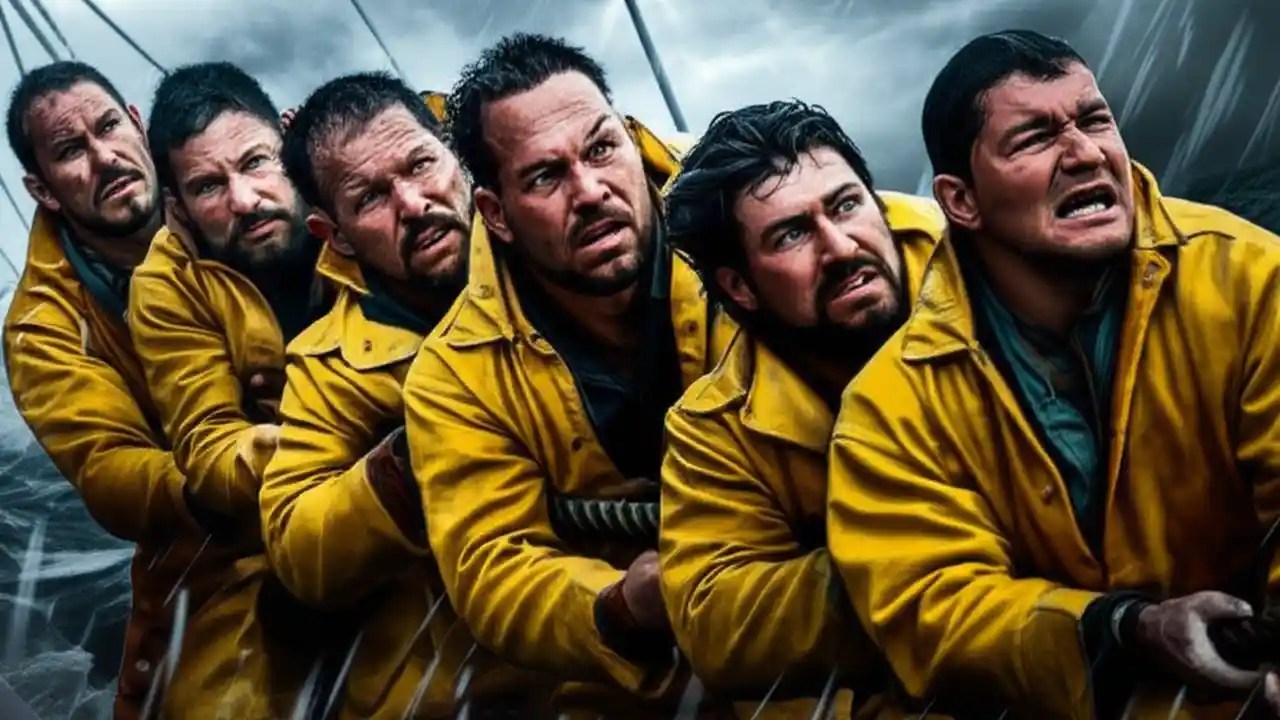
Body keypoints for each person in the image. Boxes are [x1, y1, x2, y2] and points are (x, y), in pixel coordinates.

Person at [826, 29, 1280, 719]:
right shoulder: (891, 407)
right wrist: (1123, 630)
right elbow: (934, 606)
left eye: (1096, 119)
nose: (1086, 152)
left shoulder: (1253, 280)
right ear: (961, 200)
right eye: (1035, 138)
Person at [401, 33, 734, 716]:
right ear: (496, 216)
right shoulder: (455, 374)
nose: (590, 191)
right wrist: (620, 605)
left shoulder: (743, 232)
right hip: (626, 688)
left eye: (602, 149)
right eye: (545, 177)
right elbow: (493, 565)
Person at [260, 71, 550, 718]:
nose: (415, 203)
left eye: (422, 165)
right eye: (370, 198)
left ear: (455, 155)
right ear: (332, 235)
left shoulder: (562, 241)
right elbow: (298, 544)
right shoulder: (326, 365)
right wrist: (407, 468)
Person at [658, 100, 944, 714]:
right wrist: (896, 565)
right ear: (738, 286)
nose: (840, 247)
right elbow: (717, 623)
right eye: (792, 233)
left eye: (846, 205)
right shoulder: (716, 429)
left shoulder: (992, 263)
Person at [2, 61, 251, 719]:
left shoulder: (235, 181)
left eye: (109, 126)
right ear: (42, 189)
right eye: (69, 152)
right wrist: (229, 478)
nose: (104, 157)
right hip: (215, 555)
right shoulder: (42, 326)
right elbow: (108, 469)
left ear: (137, 124)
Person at [127, 61, 327, 717]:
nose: (245, 199)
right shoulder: (165, 285)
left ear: (288, 140)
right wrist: (343, 444)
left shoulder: (361, 186)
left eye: (257, 163)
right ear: (176, 208)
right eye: (209, 186)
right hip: (267, 533)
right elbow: (210, 449)